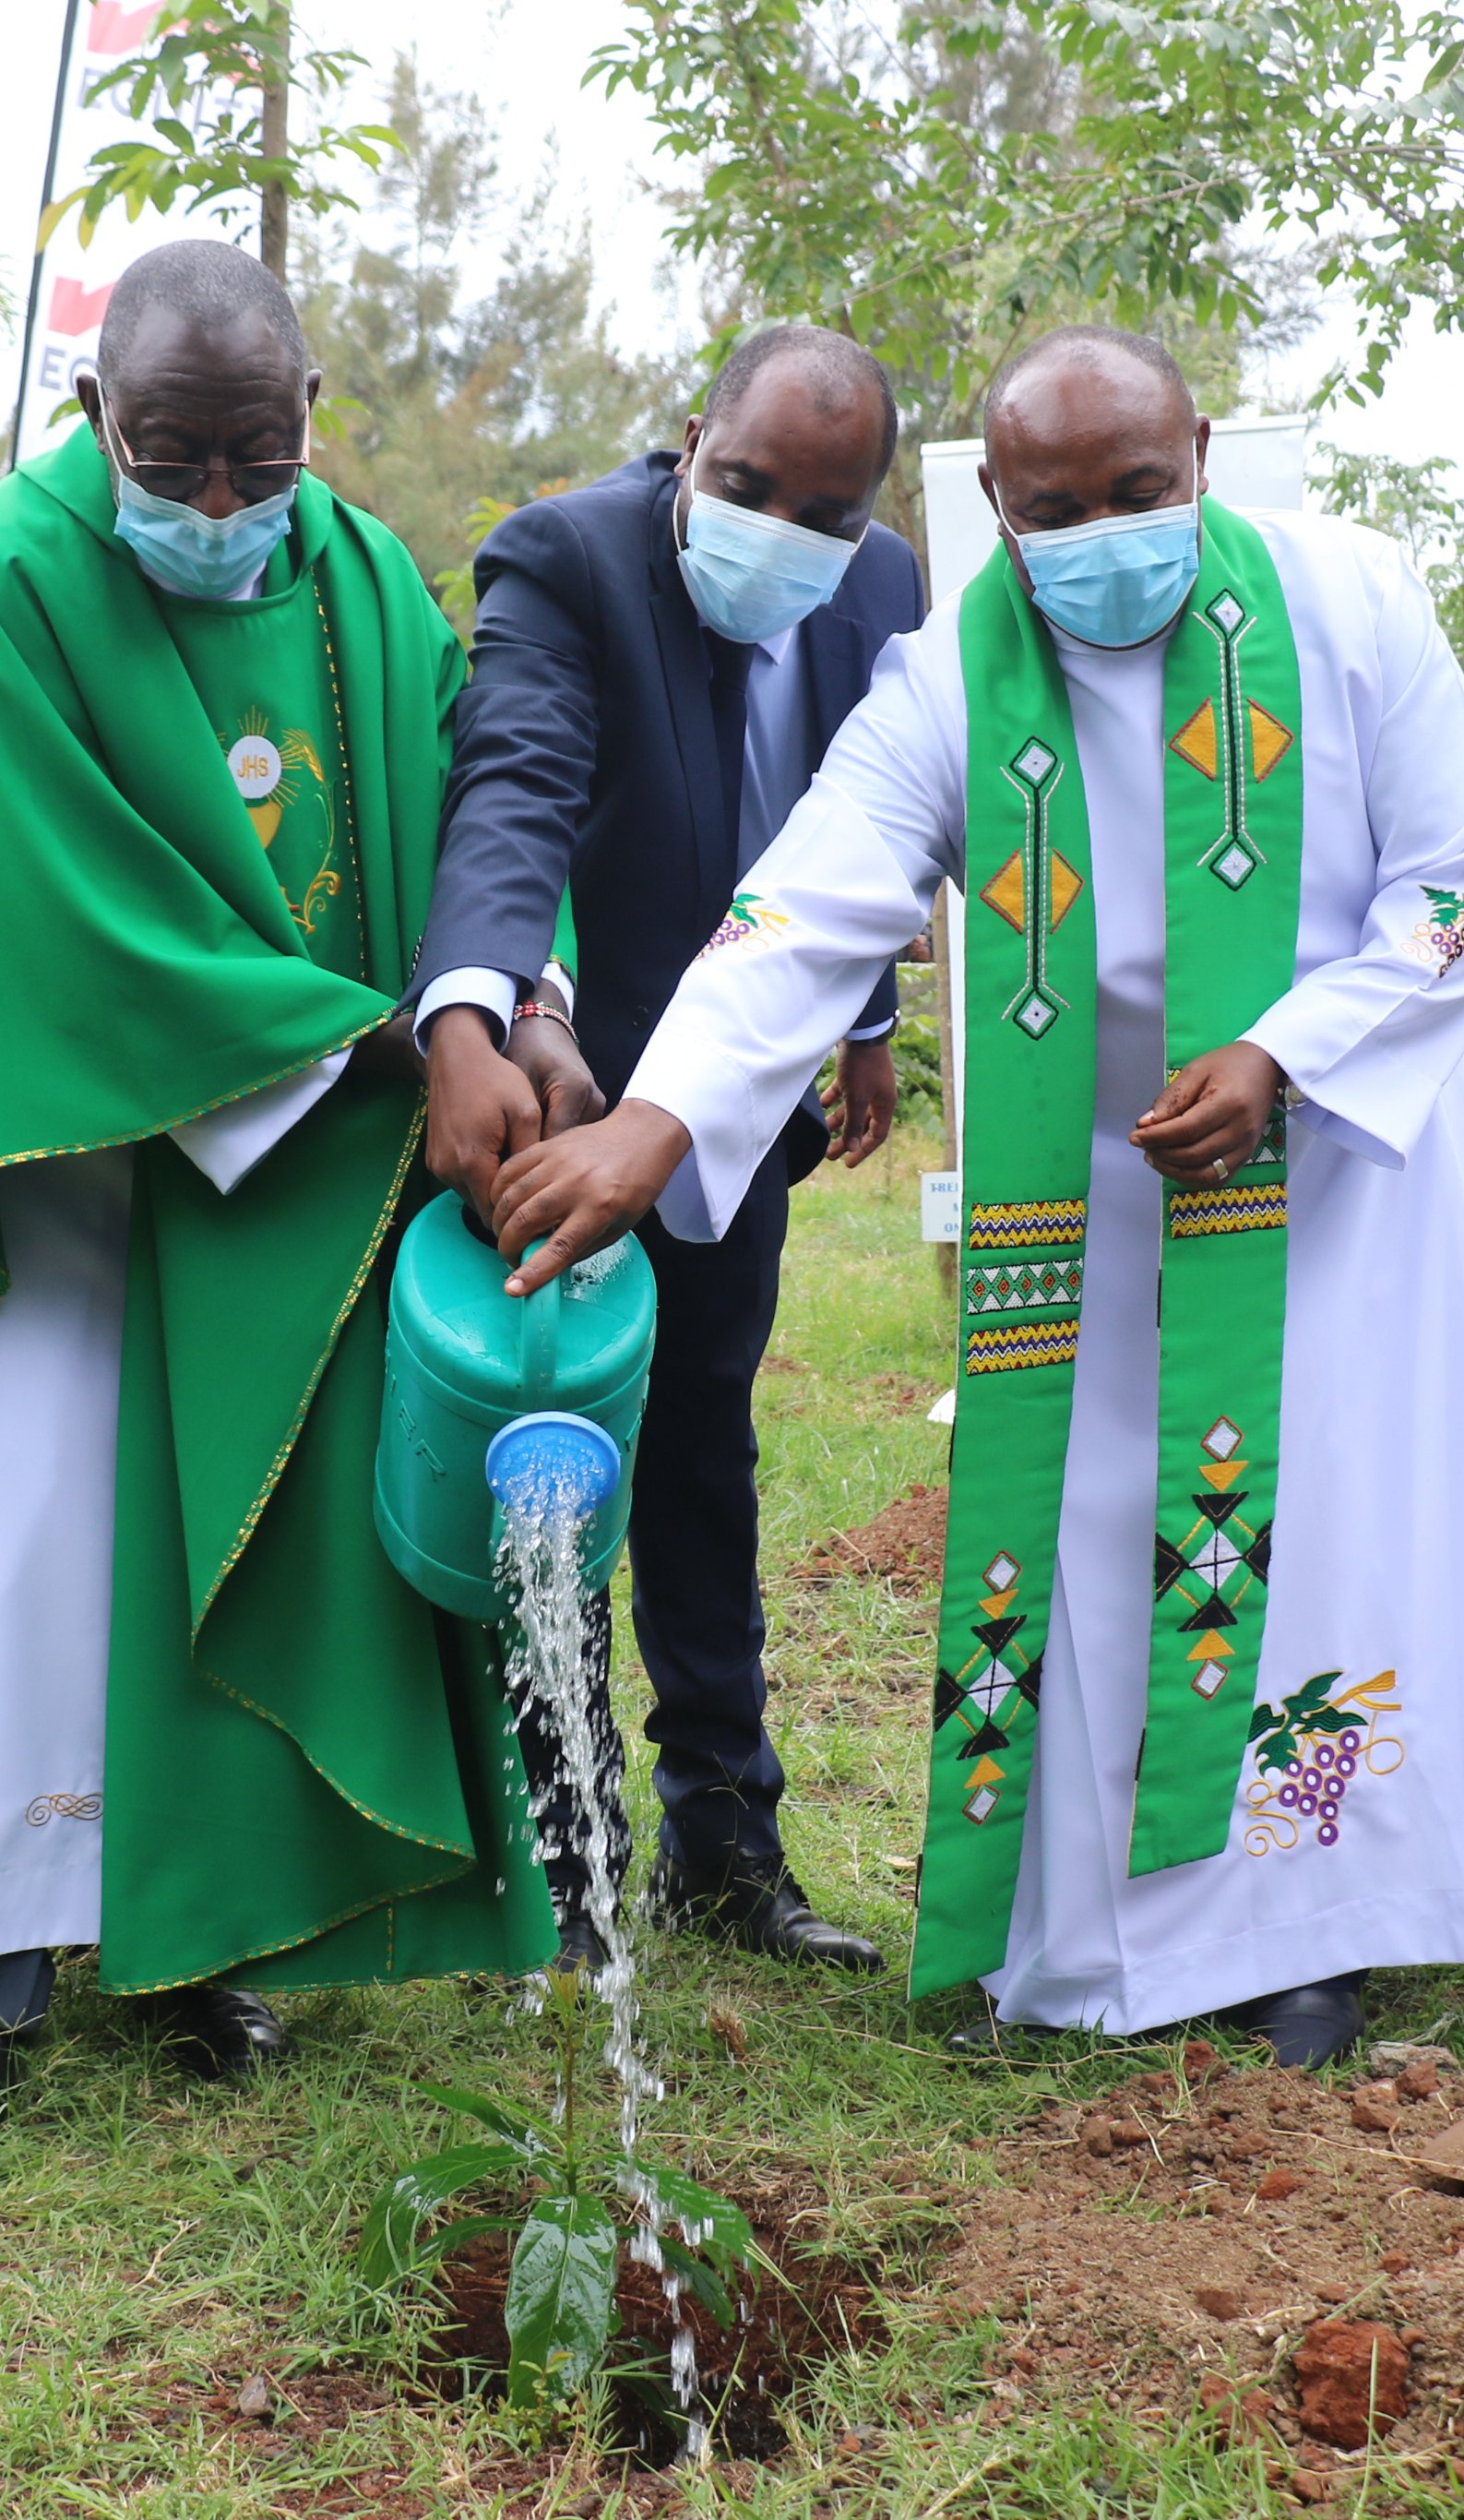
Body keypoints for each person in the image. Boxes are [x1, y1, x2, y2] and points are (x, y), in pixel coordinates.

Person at [484, 328, 1464, 2064]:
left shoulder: (1352, 603)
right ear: (994, 513)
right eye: (1053, 512)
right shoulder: (950, 678)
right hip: (1094, 1181)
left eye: (1138, 496)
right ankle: (1109, 1926)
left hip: (1331, 1167)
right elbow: (804, 907)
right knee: (1105, 1547)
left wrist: (1287, 1056)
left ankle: (1314, 1931)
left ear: (1204, 458)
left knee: (1313, 1544)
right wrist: (659, 1120)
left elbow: (1463, 895)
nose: (1101, 539)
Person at [0, 240, 549, 2138]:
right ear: (95, 417)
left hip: (259, 1165)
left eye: (258, 453)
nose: (224, 505)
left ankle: (205, 1937)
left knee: (209, 1524)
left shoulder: (359, 585)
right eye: (173, 461)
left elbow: (452, 823)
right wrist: (371, 1056)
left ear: (313, 415)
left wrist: (510, 1002)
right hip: (18, 1164)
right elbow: (50, 908)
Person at [413, 324, 925, 1976]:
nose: (776, 526)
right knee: (546, 1452)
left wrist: (865, 1025)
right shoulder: (571, 559)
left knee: (703, 1442)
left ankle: (725, 1833)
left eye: (821, 510)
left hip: (743, 1109)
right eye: (744, 483)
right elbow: (515, 787)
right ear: (690, 438)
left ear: (870, 513)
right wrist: (483, 1014)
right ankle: (558, 1844)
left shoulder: (885, 593)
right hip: (565, 1100)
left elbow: (863, 823)